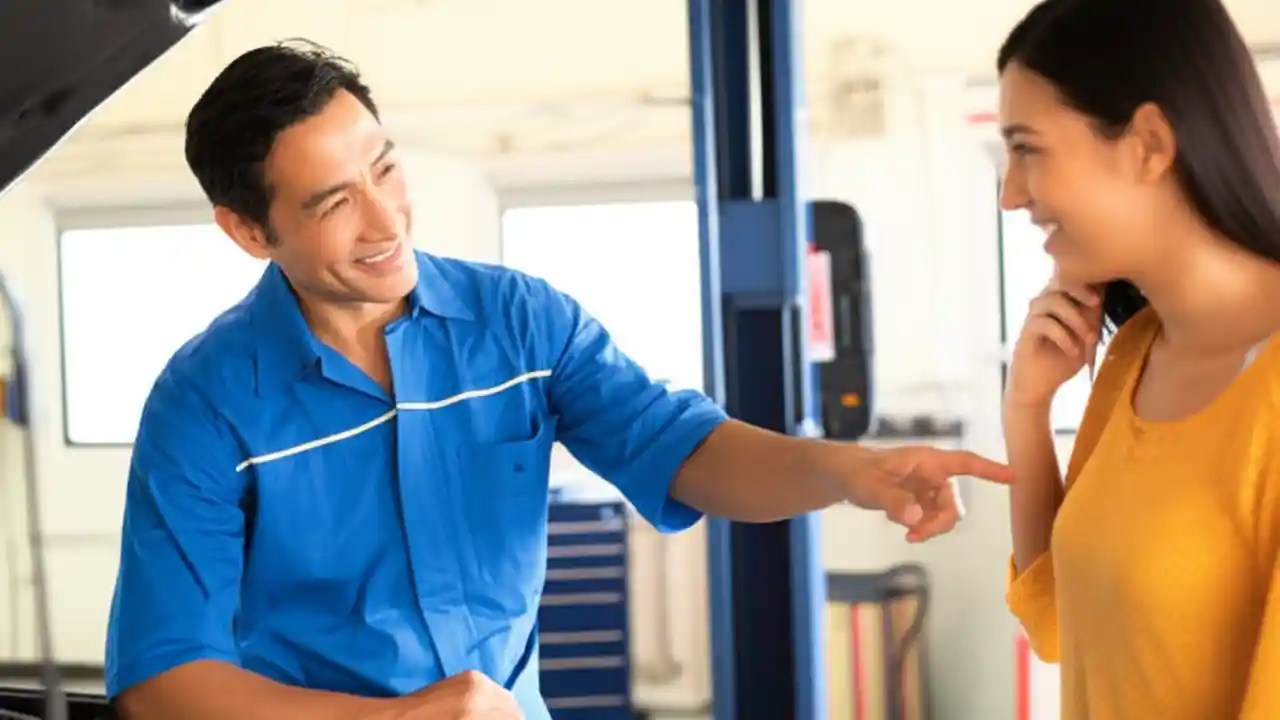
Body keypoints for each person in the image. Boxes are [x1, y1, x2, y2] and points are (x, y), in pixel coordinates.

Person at [103, 40, 1011, 720]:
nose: (386, 220)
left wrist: (847, 473)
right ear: (249, 231)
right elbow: (162, 675)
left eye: (384, 169)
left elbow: (677, 446)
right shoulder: (206, 404)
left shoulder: (521, 324)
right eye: (335, 202)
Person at [998, 0, 1280, 717]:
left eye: (1028, 148)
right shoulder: (1134, 350)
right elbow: (1060, 621)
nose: (1011, 193)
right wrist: (1027, 411)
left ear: (1148, 143)